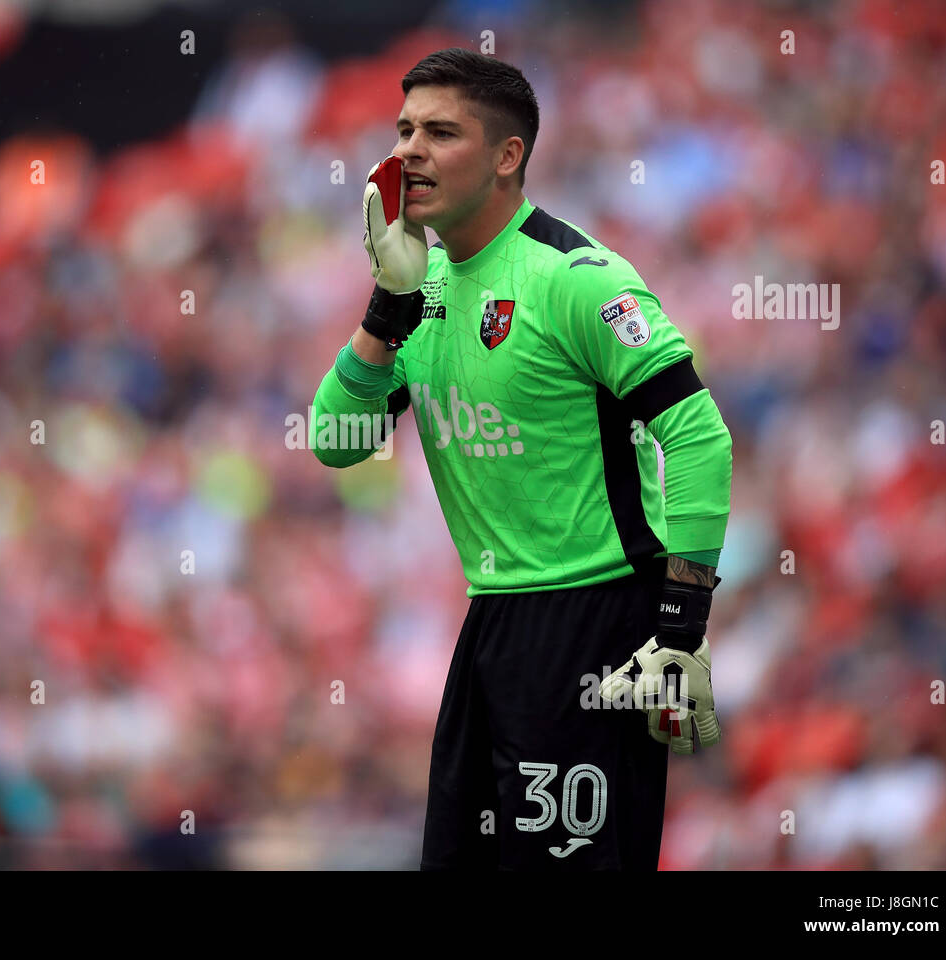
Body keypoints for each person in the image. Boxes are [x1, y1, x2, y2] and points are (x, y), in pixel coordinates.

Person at [309, 48, 734, 869]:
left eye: (439, 132)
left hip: (598, 619)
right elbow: (337, 440)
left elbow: (698, 434)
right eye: (402, 131)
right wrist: (383, 309)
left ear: (507, 156)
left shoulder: (576, 279)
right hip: (493, 619)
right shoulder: (420, 288)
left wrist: (681, 624)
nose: (407, 152)